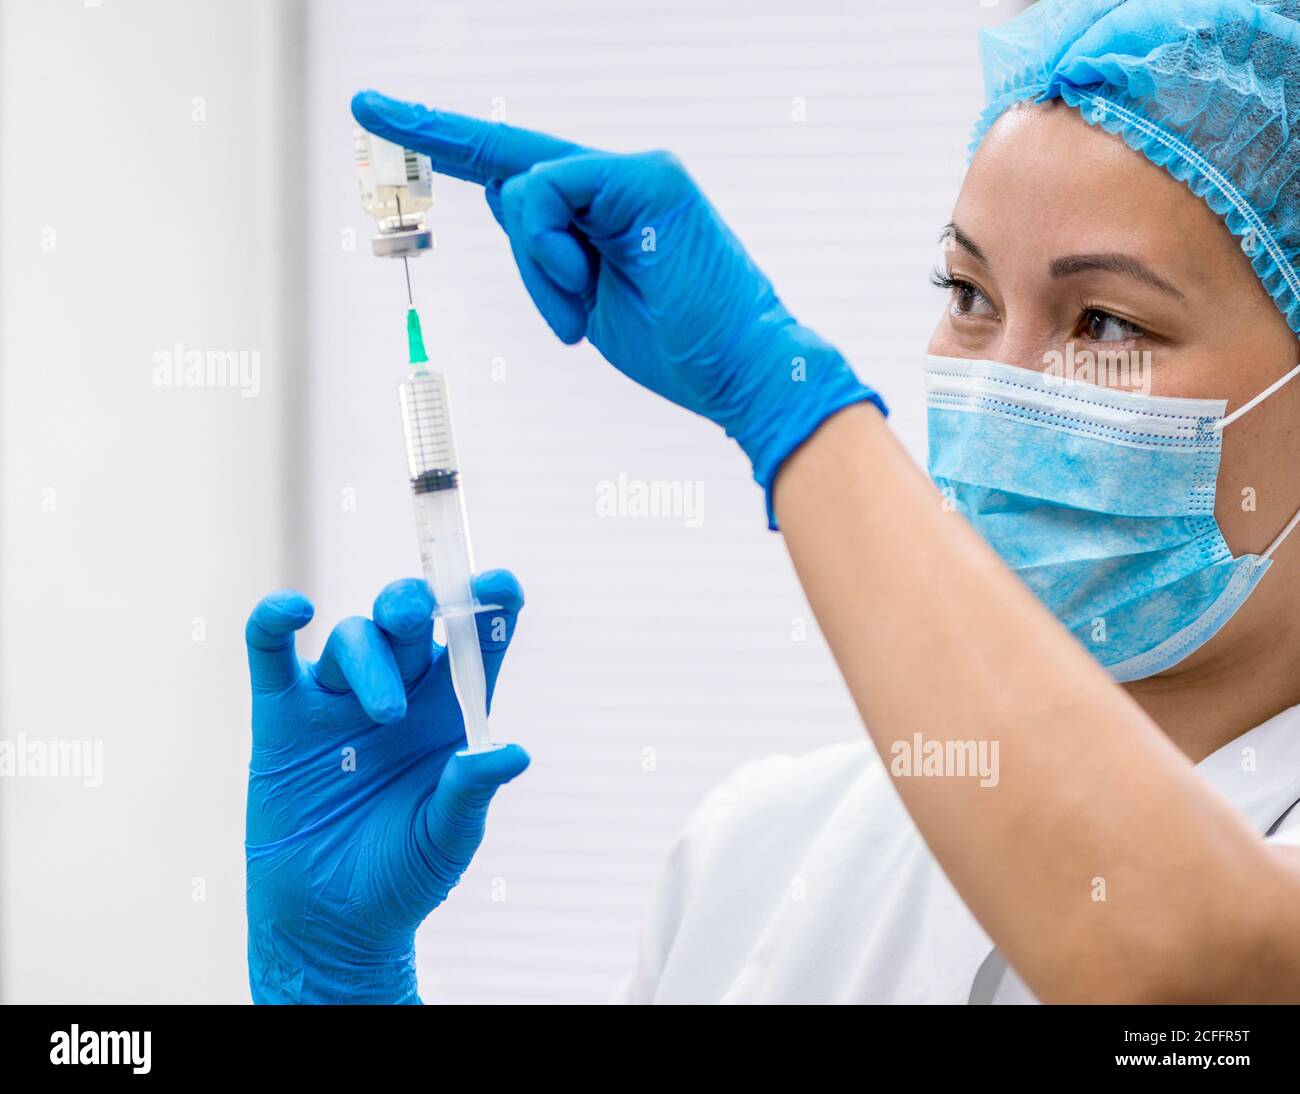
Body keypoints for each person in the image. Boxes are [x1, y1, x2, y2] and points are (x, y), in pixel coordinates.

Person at [245, 0, 1300, 1003]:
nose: (1003, 384)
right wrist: (338, 983)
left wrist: (780, 400)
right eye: (968, 295)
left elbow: (1176, 967)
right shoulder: (764, 852)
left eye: (1108, 322)